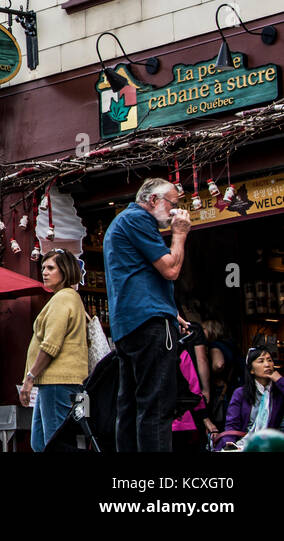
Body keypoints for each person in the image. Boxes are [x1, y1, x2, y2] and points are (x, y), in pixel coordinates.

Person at [103, 177, 191, 452]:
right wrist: (179, 234)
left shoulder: (123, 222)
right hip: (148, 323)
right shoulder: (138, 219)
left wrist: (170, 312)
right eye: (173, 205)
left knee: (130, 406)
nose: (175, 212)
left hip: (129, 324)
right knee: (156, 404)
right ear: (153, 200)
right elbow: (170, 269)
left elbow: (136, 276)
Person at [18, 248, 89, 452]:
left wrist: (30, 378)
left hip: (58, 382)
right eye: (43, 268)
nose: (45, 272)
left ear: (65, 271)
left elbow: (50, 345)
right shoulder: (67, 298)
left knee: (55, 442)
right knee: (40, 443)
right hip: (57, 382)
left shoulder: (63, 298)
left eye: (51, 268)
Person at [216, 346, 284, 450]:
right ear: (251, 370)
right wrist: (229, 443)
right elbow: (232, 424)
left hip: (270, 445)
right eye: (261, 361)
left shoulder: (279, 392)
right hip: (242, 443)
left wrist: (279, 380)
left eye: (269, 360)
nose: (267, 364)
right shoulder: (240, 393)